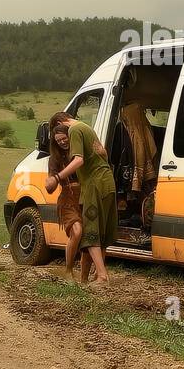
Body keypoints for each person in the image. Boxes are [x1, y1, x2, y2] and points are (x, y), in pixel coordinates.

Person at [47, 112, 117, 287]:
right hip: (105, 183)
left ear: (61, 124)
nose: (63, 140)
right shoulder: (87, 129)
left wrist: (57, 177)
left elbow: (78, 160)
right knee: (94, 232)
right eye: (58, 138)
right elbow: (103, 154)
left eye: (63, 135)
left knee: (90, 232)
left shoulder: (76, 130)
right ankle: (78, 275)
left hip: (93, 187)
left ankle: (101, 276)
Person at [44, 125, 82, 280]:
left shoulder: (79, 151)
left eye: (64, 138)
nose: (62, 142)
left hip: (86, 196)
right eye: (58, 140)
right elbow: (50, 186)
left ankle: (89, 273)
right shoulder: (54, 159)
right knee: (77, 231)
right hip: (68, 198)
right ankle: (68, 270)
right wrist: (51, 182)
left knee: (89, 235)